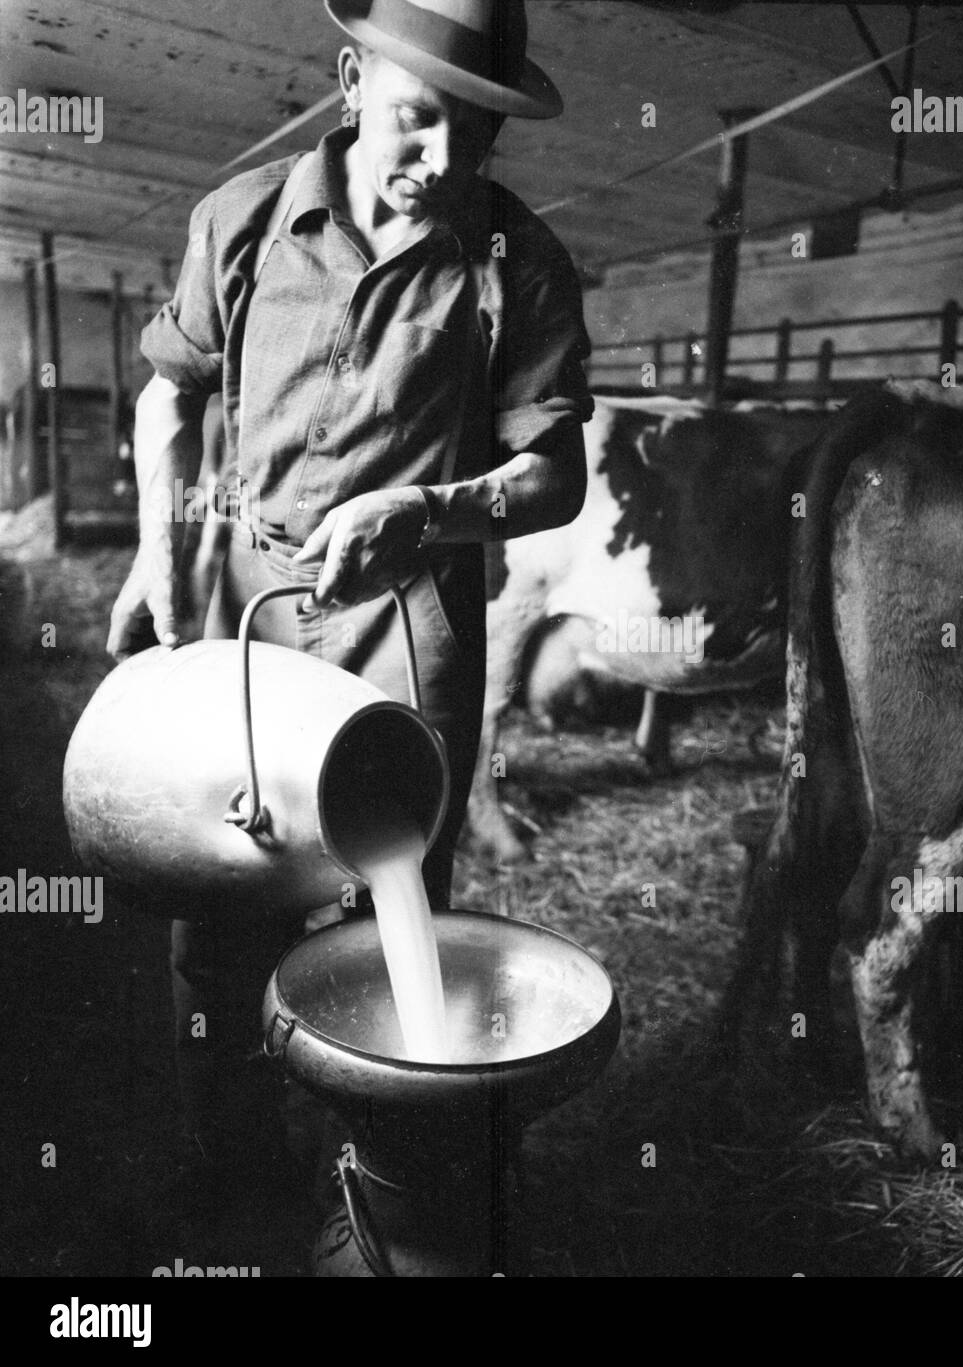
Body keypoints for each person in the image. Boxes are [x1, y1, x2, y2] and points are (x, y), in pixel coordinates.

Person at [105, 0, 593, 1221]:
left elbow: (556, 475)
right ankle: (230, 1165)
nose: (446, 162)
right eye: (420, 122)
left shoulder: (515, 260)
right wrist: (165, 587)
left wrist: (425, 507)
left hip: (410, 615)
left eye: (476, 137)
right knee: (224, 883)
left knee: (390, 894)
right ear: (350, 80)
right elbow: (168, 402)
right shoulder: (244, 220)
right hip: (251, 605)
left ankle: (378, 1188)